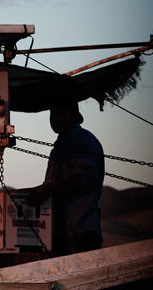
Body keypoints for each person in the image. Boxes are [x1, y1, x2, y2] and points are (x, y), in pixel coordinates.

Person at [24, 100, 104, 255]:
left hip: (81, 231)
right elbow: (51, 184)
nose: (56, 119)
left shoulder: (85, 141)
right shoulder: (57, 149)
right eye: (53, 114)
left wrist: (48, 191)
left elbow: (80, 180)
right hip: (58, 233)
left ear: (75, 116)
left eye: (62, 114)